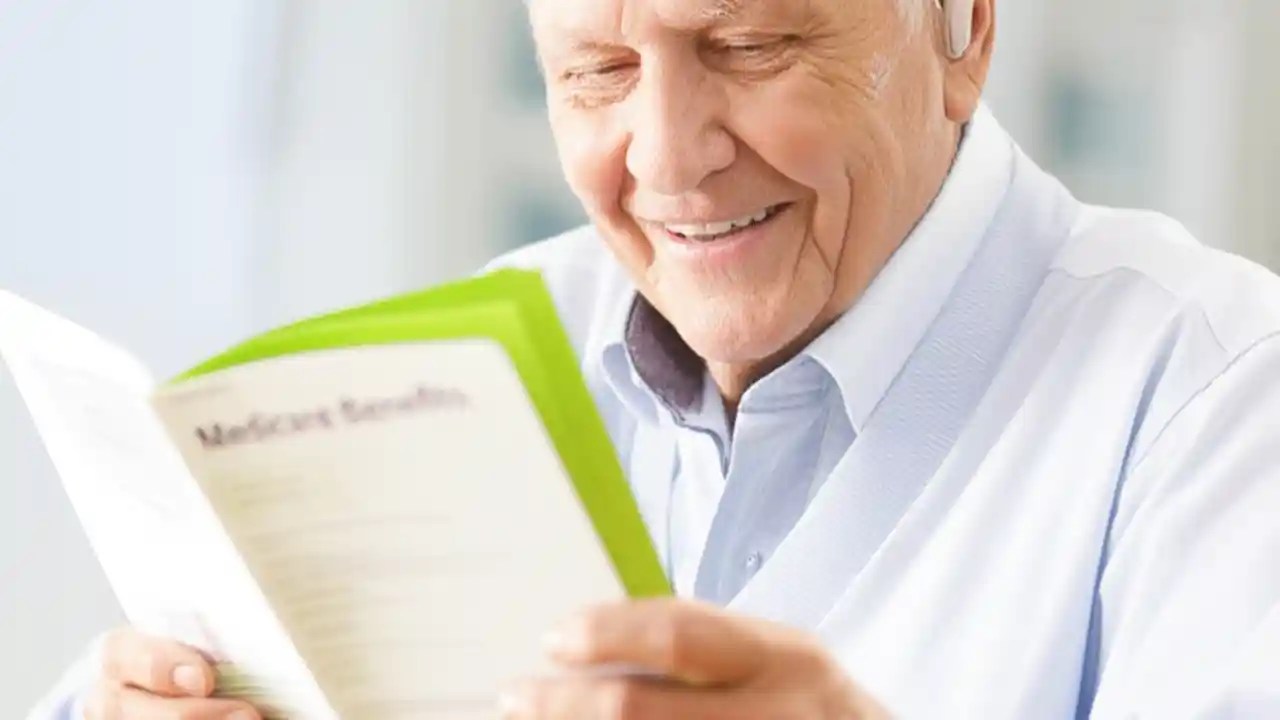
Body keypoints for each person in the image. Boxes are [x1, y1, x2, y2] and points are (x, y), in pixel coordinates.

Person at [47, 0, 1280, 717]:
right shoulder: (459, 364)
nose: (666, 161)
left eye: (747, 47)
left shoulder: (1220, 398)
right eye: (595, 75)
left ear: (962, 33)